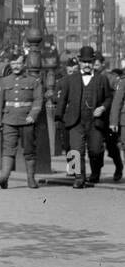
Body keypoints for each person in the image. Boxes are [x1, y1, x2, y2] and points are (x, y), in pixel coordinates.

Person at [56, 44, 114, 187]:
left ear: (94, 62)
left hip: (95, 122)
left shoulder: (102, 79)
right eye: (84, 62)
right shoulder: (70, 80)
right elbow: (62, 99)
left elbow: (109, 98)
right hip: (76, 121)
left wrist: (102, 107)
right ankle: (78, 177)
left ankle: (95, 173)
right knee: (75, 150)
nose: (87, 65)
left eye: (90, 62)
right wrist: (59, 117)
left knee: (95, 150)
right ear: (80, 62)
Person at [0, 51, 44, 189]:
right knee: (8, 149)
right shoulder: (5, 81)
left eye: (19, 63)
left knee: (29, 149)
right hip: (9, 119)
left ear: (24, 64)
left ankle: (31, 179)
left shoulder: (33, 81)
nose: (16, 66)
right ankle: (4, 177)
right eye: (13, 63)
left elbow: (38, 100)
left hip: (27, 119)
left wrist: (33, 115)